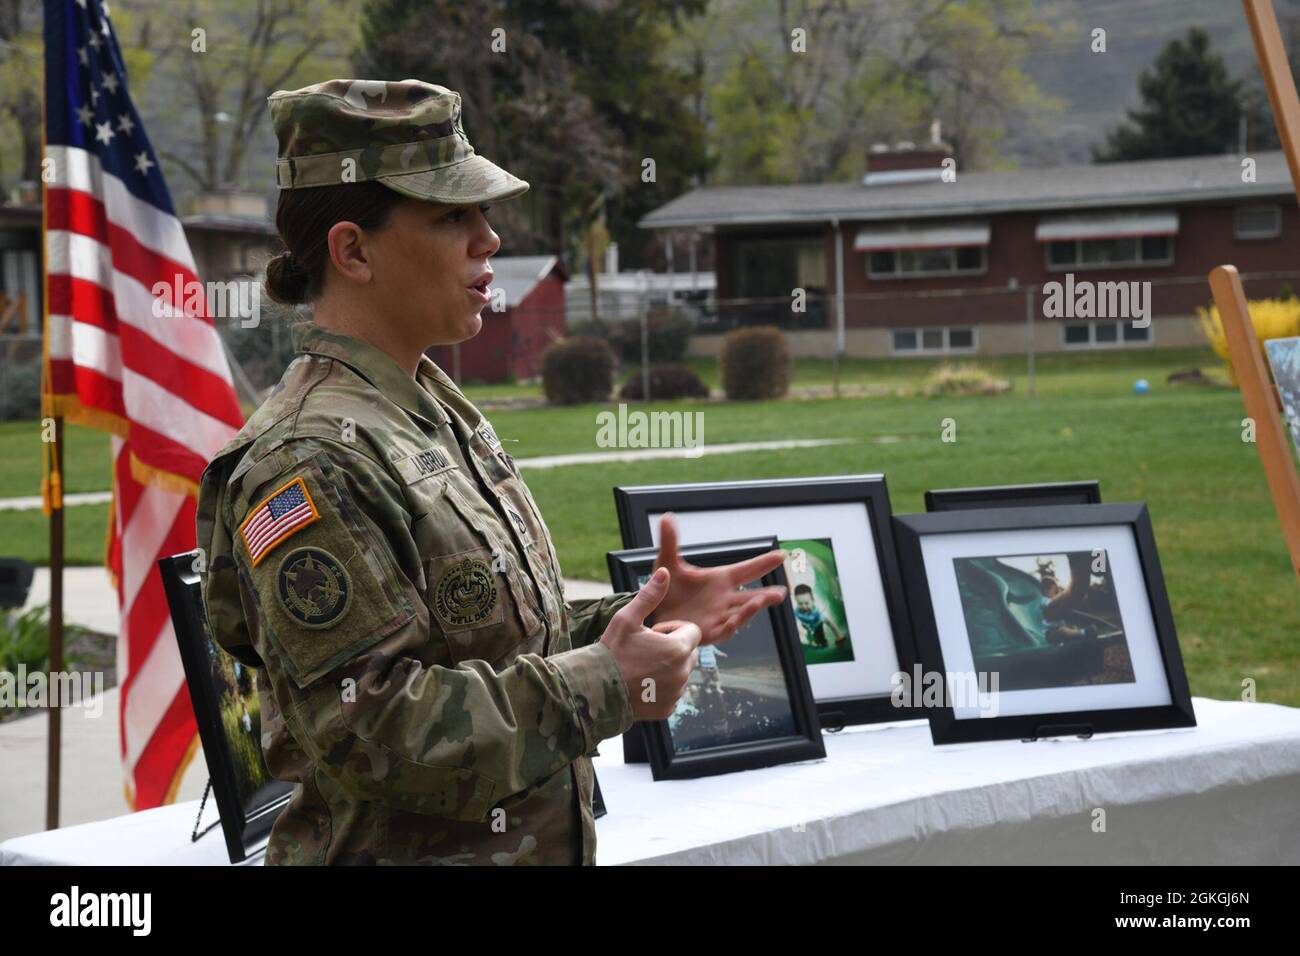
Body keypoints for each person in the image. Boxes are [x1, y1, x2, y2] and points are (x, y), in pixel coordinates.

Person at [194, 79, 787, 865]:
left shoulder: (430, 405)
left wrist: (631, 620)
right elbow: (372, 730)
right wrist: (607, 679)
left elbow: (487, 643)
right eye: (451, 217)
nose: (490, 240)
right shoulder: (310, 459)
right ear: (353, 249)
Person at [792, 583, 844, 649]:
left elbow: (829, 623)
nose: (804, 606)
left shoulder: (816, 612)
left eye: (806, 603)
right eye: (800, 603)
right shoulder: (797, 611)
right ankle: (812, 642)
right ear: (796, 601)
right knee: (809, 636)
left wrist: (838, 636)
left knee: (820, 638)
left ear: (813, 600)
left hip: (817, 625)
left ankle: (823, 643)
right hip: (806, 626)